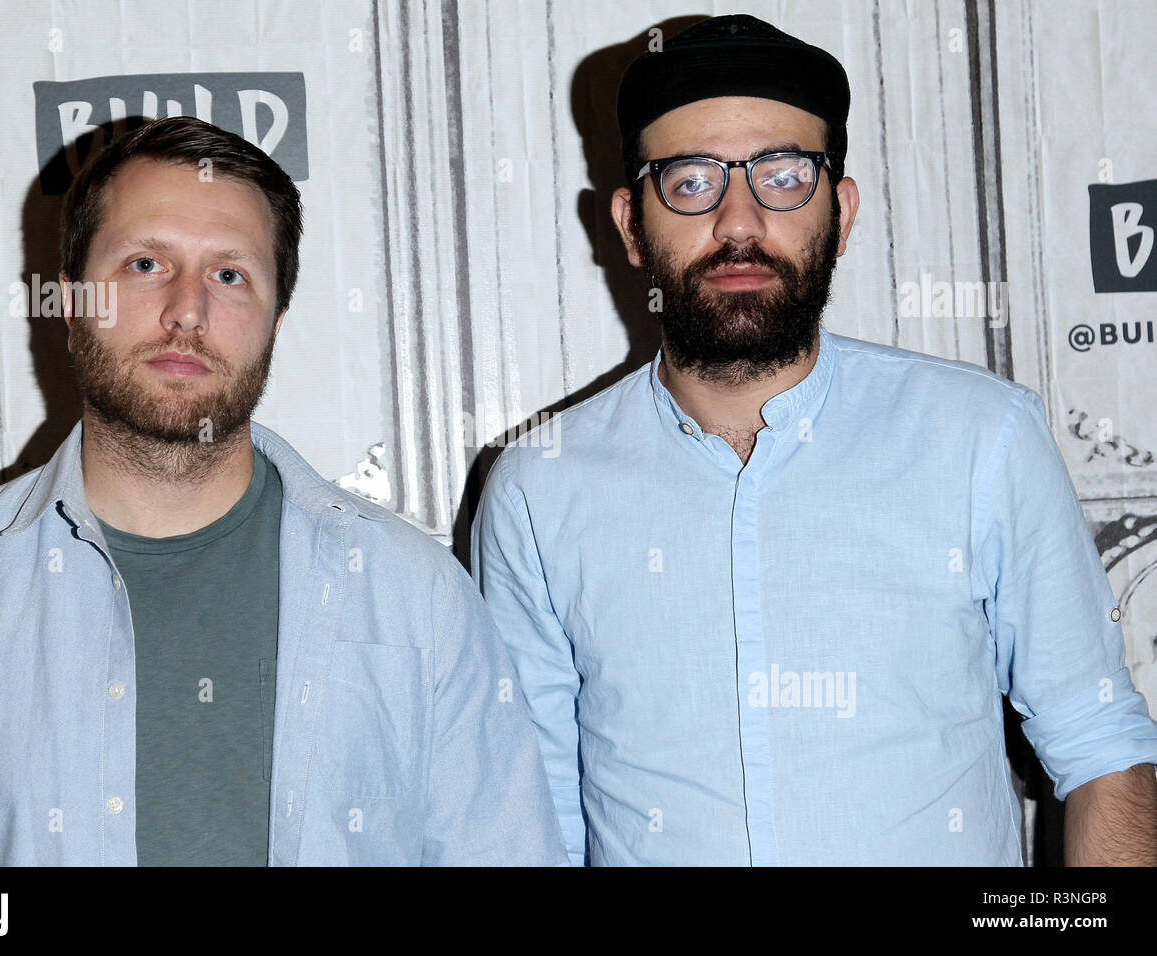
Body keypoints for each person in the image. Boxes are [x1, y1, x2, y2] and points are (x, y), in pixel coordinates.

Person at [471, 14, 1157, 865]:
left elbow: (1102, 753)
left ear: (842, 208)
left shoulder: (983, 439)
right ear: (630, 222)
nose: (739, 221)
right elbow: (532, 815)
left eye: (784, 175)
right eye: (689, 181)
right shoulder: (541, 487)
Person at [0, 116, 566, 867]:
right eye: (143, 264)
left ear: (275, 321)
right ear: (70, 302)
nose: (187, 311)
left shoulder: (416, 596)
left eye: (229, 275)